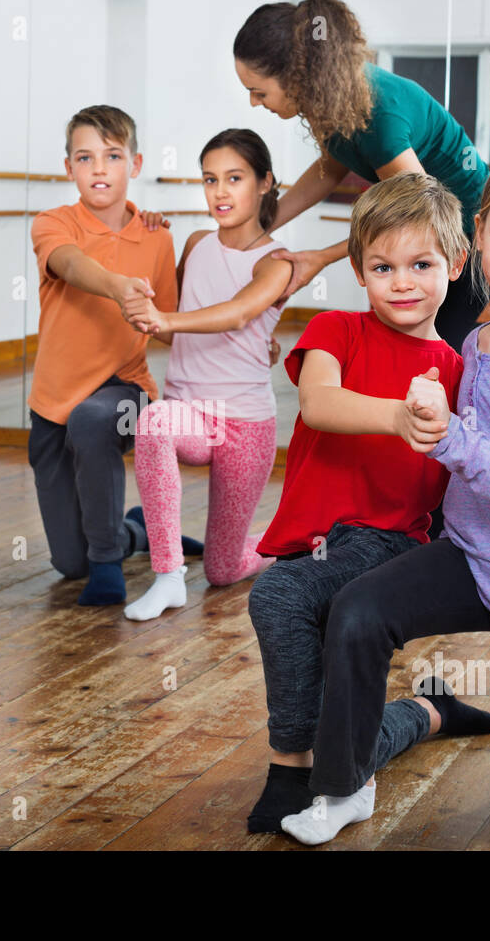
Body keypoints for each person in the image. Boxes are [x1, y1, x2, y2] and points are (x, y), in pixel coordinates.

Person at [243, 171, 490, 834]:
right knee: (358, 610)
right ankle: (342, 788)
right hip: (471, 557)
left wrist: (454, 439)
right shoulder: (472, 346)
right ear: (479, 238)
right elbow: (473, 468)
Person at [232, 0, 490, 355]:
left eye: (258, 92)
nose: (254, 102)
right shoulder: (332, 98)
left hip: (469, 236)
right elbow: (330, 169)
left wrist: (320, 257)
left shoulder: (379, 119)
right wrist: (262, 225)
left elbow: (422, 211)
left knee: (434, 355)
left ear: (296, 75)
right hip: (430, 232)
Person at [26, 105, 200, 607]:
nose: (99, 168)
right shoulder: (52, 223)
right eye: (85, 157)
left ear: (136, 164)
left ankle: (109, 562)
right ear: (69, 168)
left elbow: (167, 320)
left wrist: (245, 339)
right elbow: (70, 264)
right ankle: (133, 534)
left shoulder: (157, 235)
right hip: (51, 402)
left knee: (93, 419)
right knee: (68, 564)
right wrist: (118, 286)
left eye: (113, 155)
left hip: (125, 392)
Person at [119, 129, 291, 621]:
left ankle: (300, 540)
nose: (219, 192)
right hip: (194, 412)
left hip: (246, 424)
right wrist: (147, 231)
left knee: (223, 568)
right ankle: (169, 576)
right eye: (210, 179)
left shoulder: (277, 263)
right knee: (153, 422)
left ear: (264, 183)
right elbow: (174, 322)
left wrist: (166, 321)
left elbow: (237, 313)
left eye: (234, 178)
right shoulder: (195, 242)